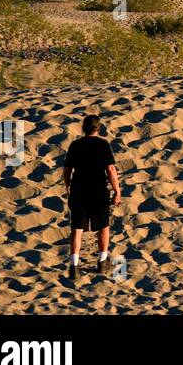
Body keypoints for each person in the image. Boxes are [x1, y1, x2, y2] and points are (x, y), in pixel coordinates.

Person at [62, 114, 121, 281]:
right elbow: (110, 170)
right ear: (98, 129)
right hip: (98, 190)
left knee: (77, 227)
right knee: (103, 225)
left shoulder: (75, 145)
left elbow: (67, 170)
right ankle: (102, 261)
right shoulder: (103, 144)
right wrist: (117, 190)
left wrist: (68, 188)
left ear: (83, 128)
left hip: (79, 190)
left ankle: (74, 266)